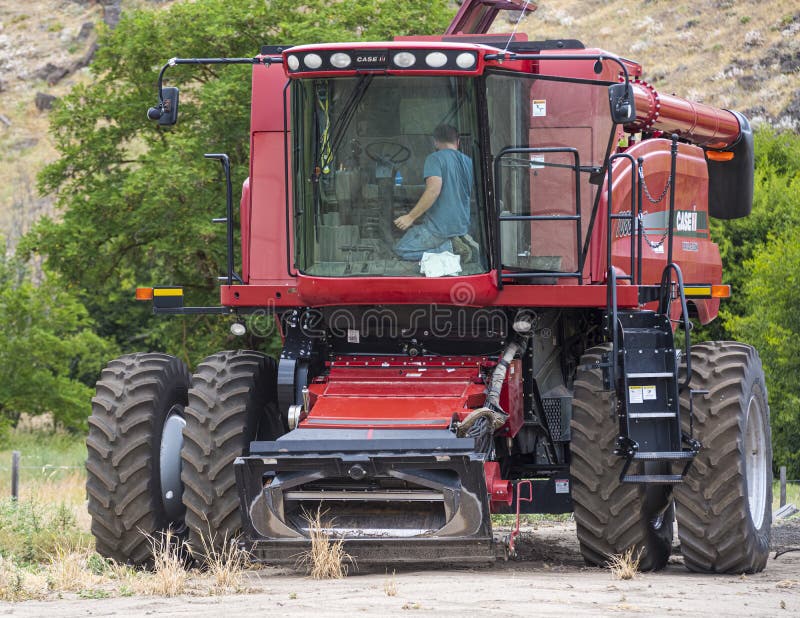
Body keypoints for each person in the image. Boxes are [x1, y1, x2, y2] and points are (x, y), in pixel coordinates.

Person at [393, 124, 474, 262]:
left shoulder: (435, 158)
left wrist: (410, 217)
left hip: (439, 228)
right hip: (461, 226)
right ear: (458, 141)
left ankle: (450, 249)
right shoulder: (468, 162)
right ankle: (453, 243)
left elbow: (433, 190)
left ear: (435, 142)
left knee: (400, 250)